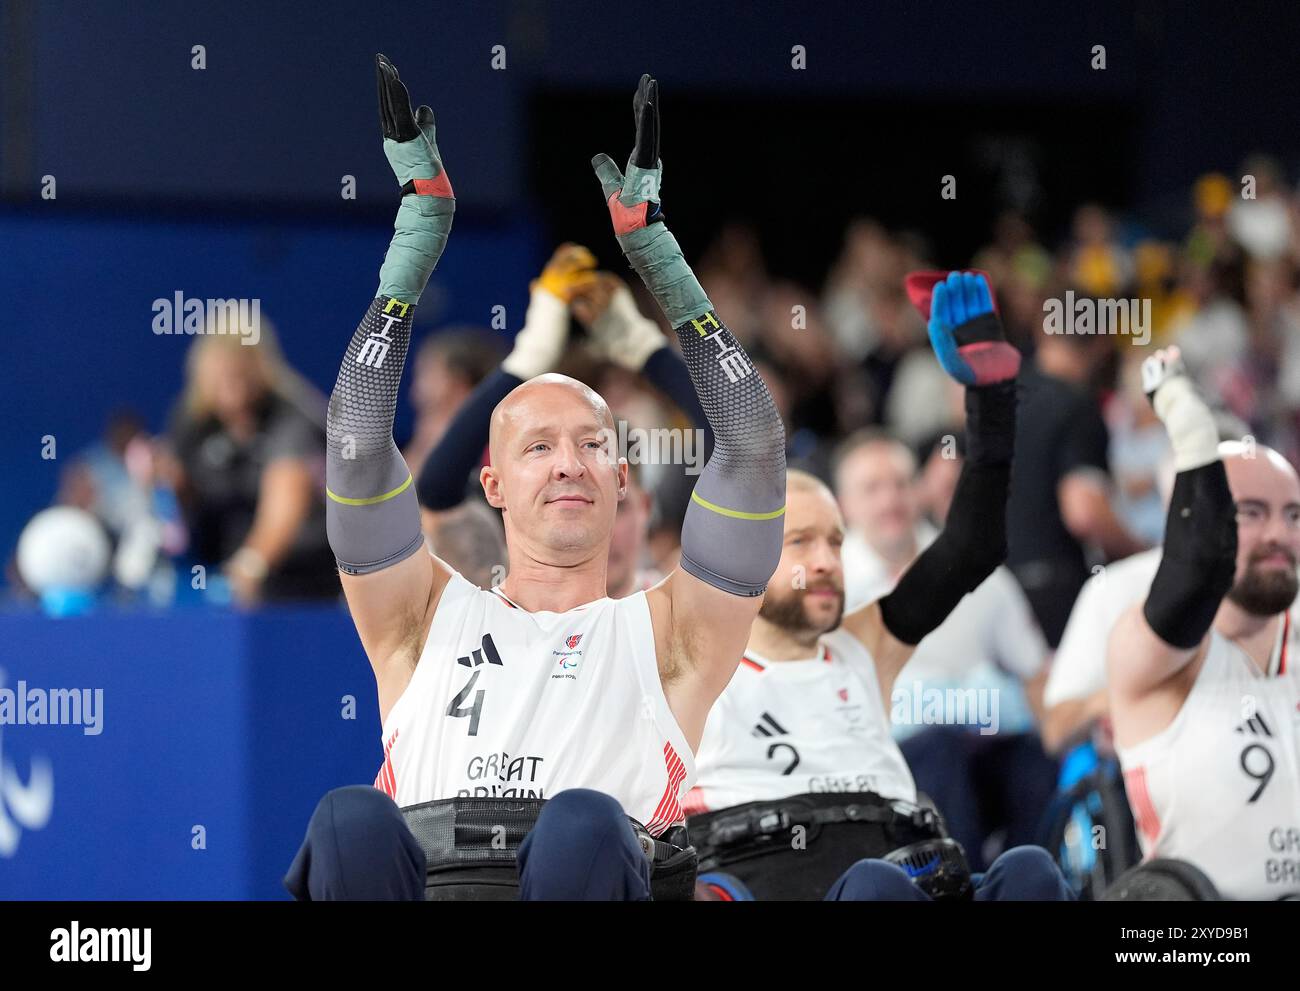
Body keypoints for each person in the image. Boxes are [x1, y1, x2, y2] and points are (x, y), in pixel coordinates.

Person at [286, 64, 786, 900]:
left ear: (623, 480)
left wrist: (656, 257)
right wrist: (417, 240)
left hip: (586, 869)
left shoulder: (672, 637)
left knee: (585, 823)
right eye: (539, 447)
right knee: (348, 817)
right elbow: (354, 443)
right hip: (434, 883)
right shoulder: (419, 615)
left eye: (593, 444)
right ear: (492, 483)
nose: (568, 462)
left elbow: (755, 445)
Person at [685, 270, 1072, 901]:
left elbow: (971, 547)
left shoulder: (864, 643)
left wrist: (992, 402)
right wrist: (665, 267)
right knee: (873, 888)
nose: (828, 560)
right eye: (800, 542)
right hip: (769, 878)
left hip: (904, 868)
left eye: (836, 542)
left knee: (1029, 870)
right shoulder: (690, 659)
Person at [1108, 346, 1300, 900]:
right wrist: (1190, 430)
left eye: (1292, 515)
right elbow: (1197, 569)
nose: (1278, 536)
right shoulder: (1151, 650)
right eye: (1251, 513)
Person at [833, 429, 1054, 869]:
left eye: (898, 484)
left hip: (981, 748)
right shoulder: (831, 583)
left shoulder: (975, 569)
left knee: (1034, 757)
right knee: (939, 748)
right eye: (871, 489)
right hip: (879, 767)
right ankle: (962, 885)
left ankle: (1029, 883)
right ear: (844, 505)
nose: (889, 501)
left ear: (918, 490)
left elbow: (1037, 675)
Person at [164, 312, 337, 605]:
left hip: (306, 577)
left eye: (241, 367)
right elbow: (175, 495)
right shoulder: (192, 422)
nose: (232, 380)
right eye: (222, 368)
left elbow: (286, 494)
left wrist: (251, 565)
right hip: (221, 570)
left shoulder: (292, 416)